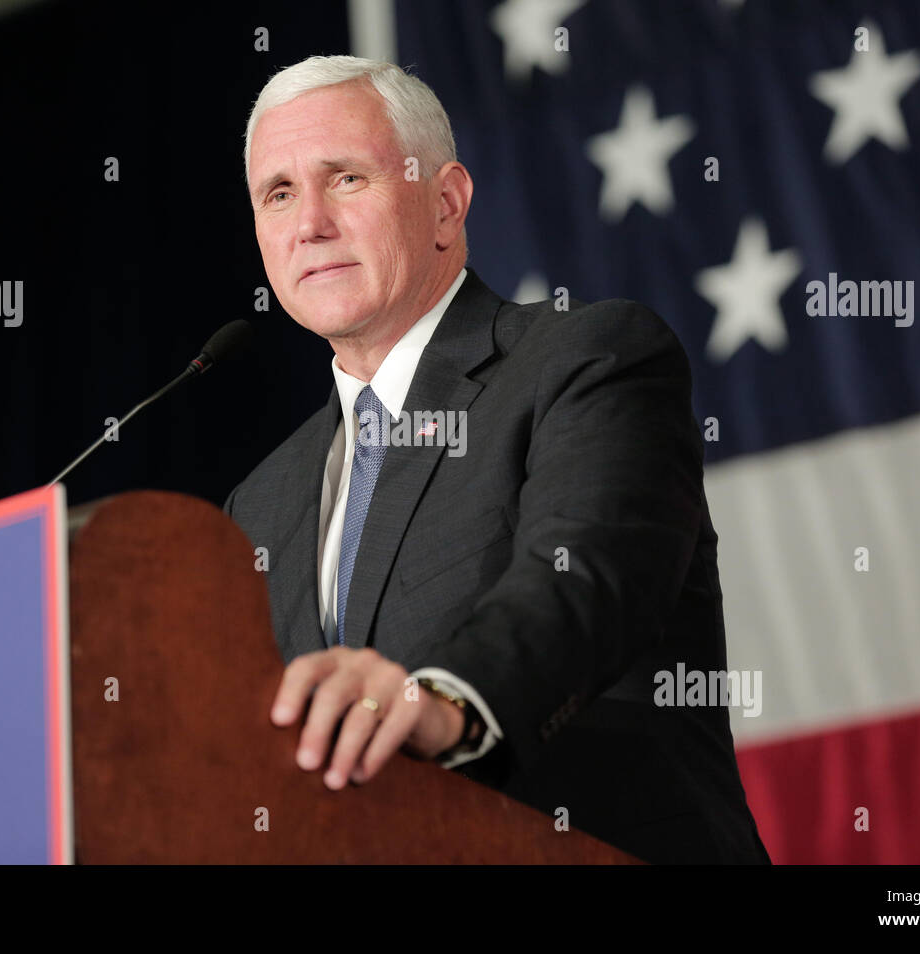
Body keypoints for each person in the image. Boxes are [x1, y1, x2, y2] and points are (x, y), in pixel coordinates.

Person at [224, 54, 769, 864]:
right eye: (278, 193)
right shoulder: (257, 505)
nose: (309, 223)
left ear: (446, 204)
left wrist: (446, 703)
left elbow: (586, 577)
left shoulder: (587, 360)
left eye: (345, 179)